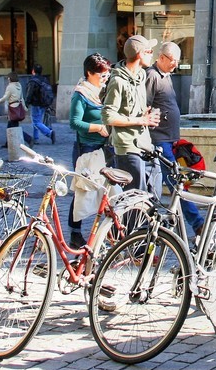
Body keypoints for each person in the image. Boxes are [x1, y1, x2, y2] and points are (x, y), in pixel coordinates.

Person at [144, 41, 202, 235]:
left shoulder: (166, 76)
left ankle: (170, 221)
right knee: (175, 181)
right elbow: (145, 107)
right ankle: (197, 222)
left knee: (169, 182)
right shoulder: (152, 76)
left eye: (178, 61)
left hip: (168, 138)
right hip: (159, 139)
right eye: (173, 61)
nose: (175, 64)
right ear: (161, 57)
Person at [102, 35, 160, 191]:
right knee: (135, 199)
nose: (152, 54)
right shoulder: (118, 81)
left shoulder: (141, 75)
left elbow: (133, 110)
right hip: (127, 147)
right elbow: (108, 116)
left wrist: (147, 114)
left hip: (145, 144)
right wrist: (141, 120)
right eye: (149, 51)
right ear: (140, 54)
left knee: (155, 193)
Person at [68, 53, 112, 247]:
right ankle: (75, 233)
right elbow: (74, 122)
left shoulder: (104, 90)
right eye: (102, 74)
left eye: (107, 74)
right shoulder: (81, 93)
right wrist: (98, 128)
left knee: (107, 191)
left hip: (104, 147)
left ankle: (108, 232)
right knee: (83, 190)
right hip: (87, 148)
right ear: (89, 73)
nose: (105, 77)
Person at [0, 73, 29, 141]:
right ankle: (7, 143)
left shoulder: (10, 87)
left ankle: (29, 139)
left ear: (10, 78)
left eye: (8, 77)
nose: (8, 79)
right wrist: (24, 107)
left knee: (13, 128)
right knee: (11, 127)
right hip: (18, 107)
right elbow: (21, 98)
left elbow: (4, 98)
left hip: (13, 108)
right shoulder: (19, 85)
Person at [23, 64, 55, 144]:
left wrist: (26, 103)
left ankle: (49, 133)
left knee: (36, 122)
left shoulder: (33, 81)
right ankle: (35, 138)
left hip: (36, 103)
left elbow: (29, 94)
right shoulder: (44, 79)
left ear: (33, 71)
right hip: (43, 103)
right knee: (37, 121)